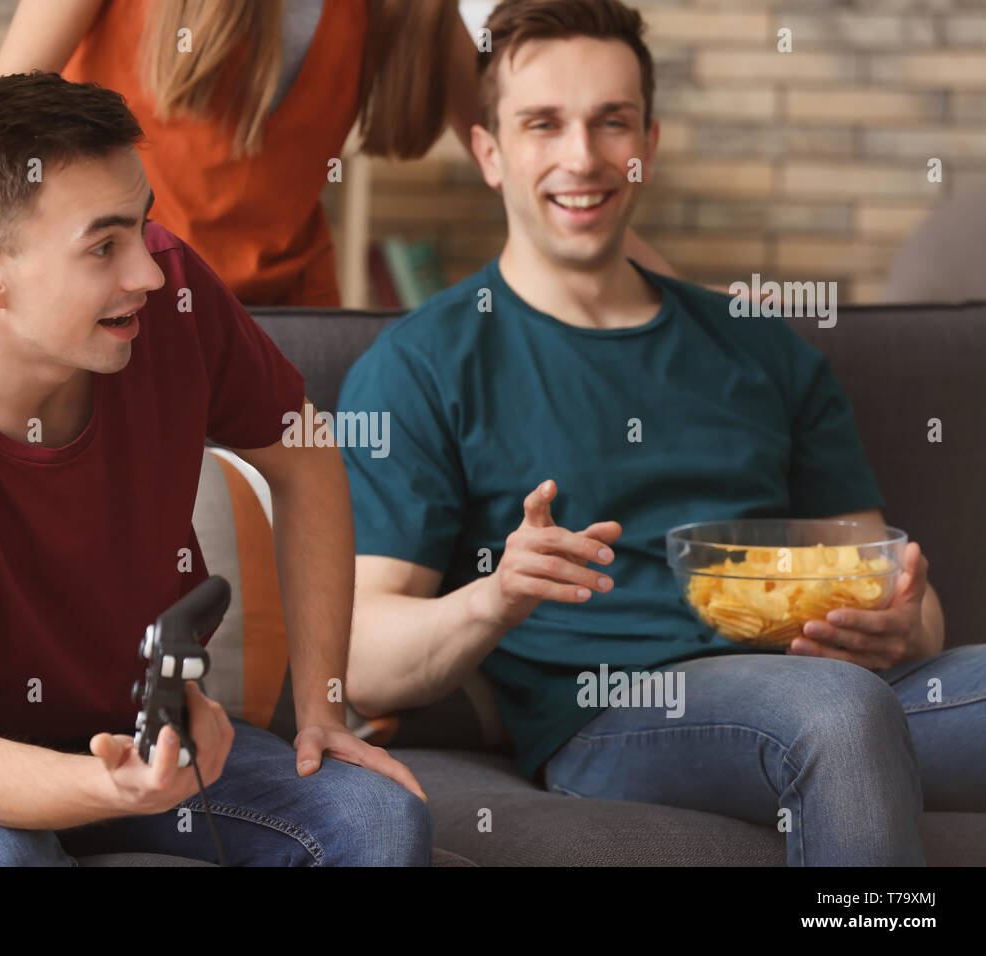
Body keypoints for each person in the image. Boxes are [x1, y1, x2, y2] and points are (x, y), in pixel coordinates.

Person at [337, 0, 985, 866]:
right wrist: (496, 596)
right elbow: (362, 654)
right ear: (490, 152)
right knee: (836, 711)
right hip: (618, 715)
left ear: (650, 140)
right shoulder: (423, 365)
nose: (583, 156)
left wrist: (907, 628)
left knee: (840, 706)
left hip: (830, 689)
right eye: (544, 124)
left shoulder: (760, 347)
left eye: (612, 122)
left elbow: (891, 578)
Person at [0, 71, 433, 866]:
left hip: (130, 733)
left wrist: (322, 703)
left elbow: (305, 455)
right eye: (104, 246)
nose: (149, 272)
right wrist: (114, 791)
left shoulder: (172, 298)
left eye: (142, 227)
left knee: (379, 822)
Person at [0, 0, 679, 362]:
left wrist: (666, 294)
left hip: (285, 327)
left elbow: (547, 163)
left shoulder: (404, 6)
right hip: (118, 308)